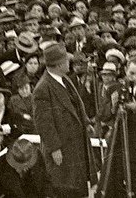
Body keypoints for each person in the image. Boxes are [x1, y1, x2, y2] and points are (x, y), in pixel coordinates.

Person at [29, 42, 91, 198]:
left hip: (74, 147)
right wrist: (54, 148)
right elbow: (43, 122)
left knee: (76, 189)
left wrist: (85, 123)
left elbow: (76, 106)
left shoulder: (64, 79)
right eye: (66, 60)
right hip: (61, 151)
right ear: (58, 64)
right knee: (63, 190)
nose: (69, 62)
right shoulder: (43, 88)